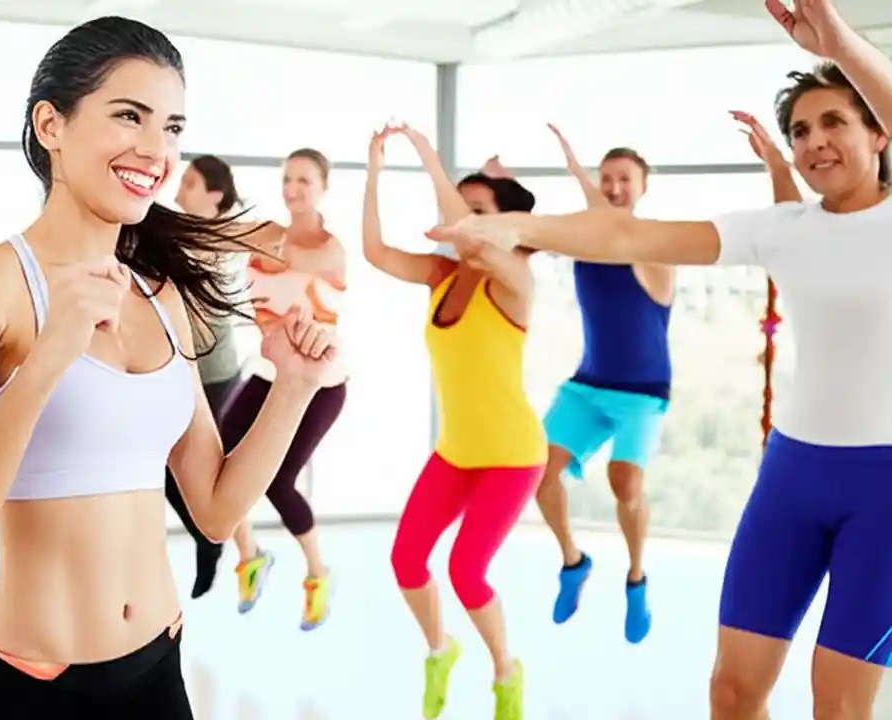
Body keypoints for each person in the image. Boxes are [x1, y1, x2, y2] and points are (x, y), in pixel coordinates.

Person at [430, 1, 892, 715]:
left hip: (884, 488)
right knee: (732, 692)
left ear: (878, 130)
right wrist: (513, 223)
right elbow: (627, 239)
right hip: (794, 473)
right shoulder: (782, 228)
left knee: (837, 704)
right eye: (801, 129)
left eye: (835, 122)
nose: (814, 141)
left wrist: (839, 43)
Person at [0, 17, 338, 718]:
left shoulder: (161, 292)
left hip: (156, 675)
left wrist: (293, 387)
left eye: (172, 127)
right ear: (50, 125)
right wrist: (54, 351)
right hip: (27, 689)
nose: (156, 149)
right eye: (129, 116)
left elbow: (213, 510)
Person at [367, 123, 540, 720]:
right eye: (462, 210)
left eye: (476, 212)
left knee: (467, 570)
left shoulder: (515, 282)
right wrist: (374, 169)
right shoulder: (442, 277)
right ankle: (440, 651)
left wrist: (425, 153)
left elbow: (477, 240)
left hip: (513, 456)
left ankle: (505, 670)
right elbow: (376, 252)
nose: (463, 221)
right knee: (406, 561)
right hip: (456, 452)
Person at [535, 124, 675, 644]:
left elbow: (620, 234)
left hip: (643, 391)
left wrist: (583, 183)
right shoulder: (586, 243)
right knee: (537, 474)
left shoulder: (655, 247)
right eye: (607, 179)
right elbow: (544, 230)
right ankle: (573, 563)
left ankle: (636, 578)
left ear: (643, 187)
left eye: (625, 180)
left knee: (625, 483)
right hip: (589, 383)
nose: (615, 188)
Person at [220, 147, 346, 631]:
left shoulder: (328, 248)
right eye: (288, 179)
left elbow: (294, 254)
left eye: (304, 181)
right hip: (268, 373)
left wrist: (242, 234)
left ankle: (318, 574)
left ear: (323, 188)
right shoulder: (267, 233)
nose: (293, 189)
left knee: (277, 480)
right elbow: (215, 235)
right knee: (219, 464)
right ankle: (250, 556)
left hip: (319, 382)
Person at [167, 154, 249, 598]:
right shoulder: (179, 232)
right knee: (174, 470)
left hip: (214, 374)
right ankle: (215, 539)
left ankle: (217, 541)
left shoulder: (219, 239)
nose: (182, 187)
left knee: (206, 469)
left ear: (215, 196)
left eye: (192, 182)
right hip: (184, 369)